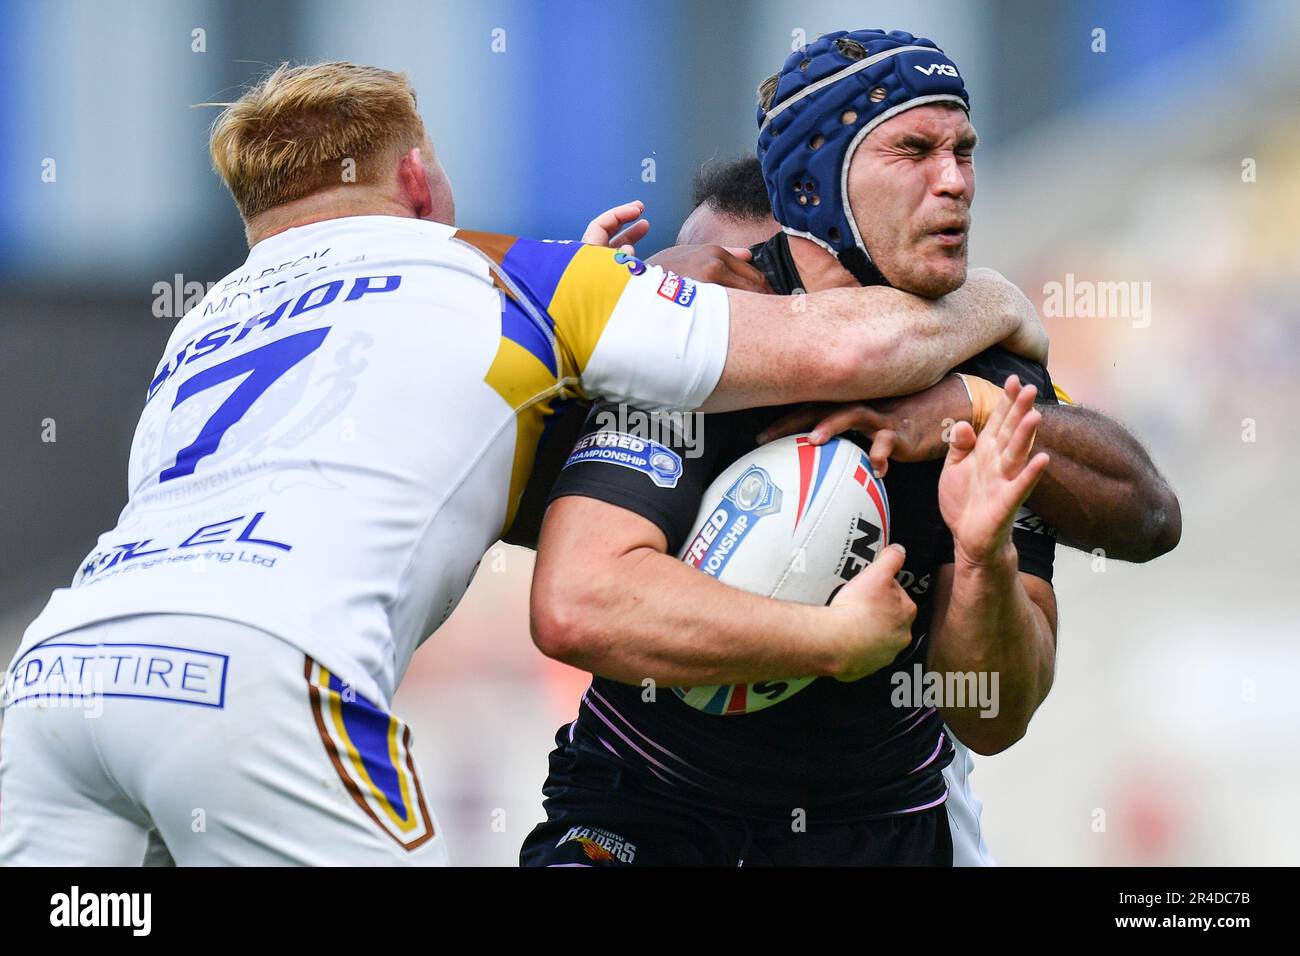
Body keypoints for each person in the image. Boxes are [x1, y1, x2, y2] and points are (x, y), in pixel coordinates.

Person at [0, 60, 1050, 866]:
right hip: (259, 676)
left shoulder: (202, 328)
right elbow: (852, 348)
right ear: (417, 180)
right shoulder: (509, 273)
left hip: (56, 674)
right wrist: (999, 304)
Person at [521, 30, 1179, 866]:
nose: (956, 180)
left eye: (964, 151)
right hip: (645, 806)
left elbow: (993, 716)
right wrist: (830, 640)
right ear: (813, 183)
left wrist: (983, 563)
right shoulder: (694, 317)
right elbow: (579, 605)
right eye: (914, 150)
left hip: (877, 830)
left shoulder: (989, 378)